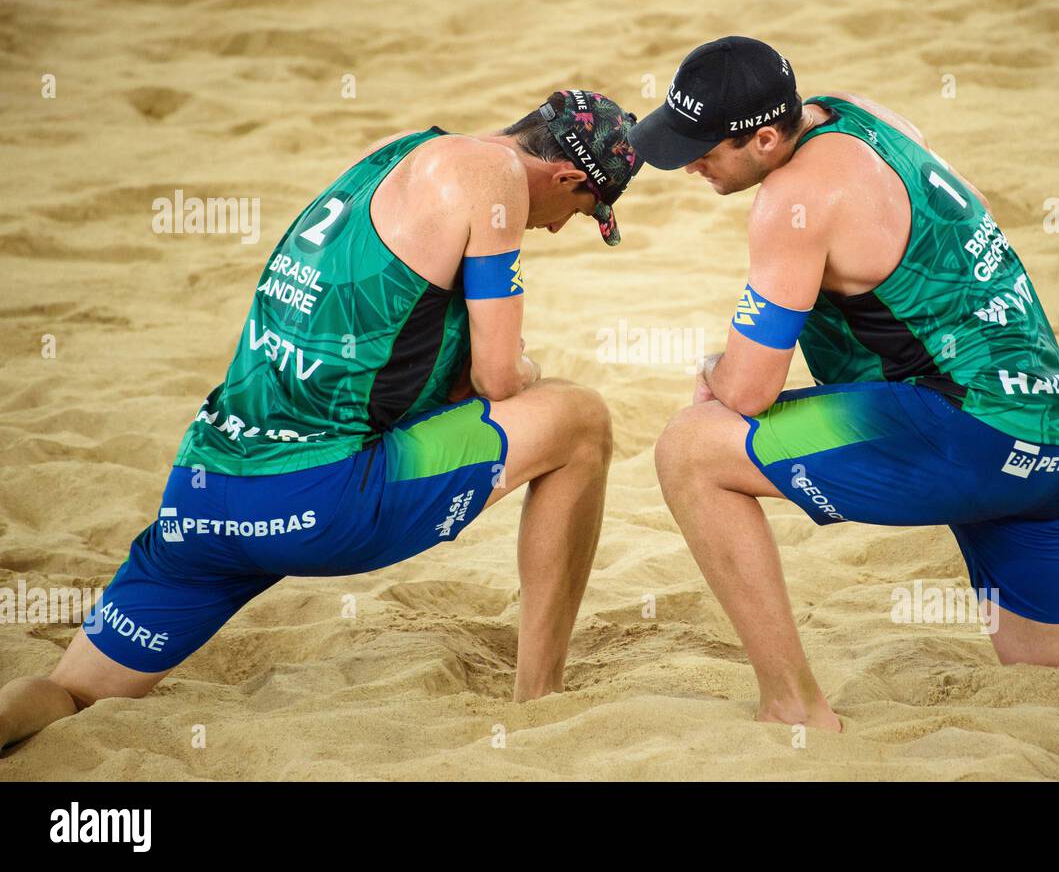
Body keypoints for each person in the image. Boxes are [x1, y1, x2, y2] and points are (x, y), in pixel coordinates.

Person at [634, 36, 1059, 731]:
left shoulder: (795, 198)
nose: (691, 165)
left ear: (766, 138)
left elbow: (744, 392)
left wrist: (715, 367)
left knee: (690, 448)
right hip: (1055, 439)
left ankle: (793, 705)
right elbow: (968, 213)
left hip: (967, 431)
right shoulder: (860, 115)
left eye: (704, 148)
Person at [0, 90, 643, 751]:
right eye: (584, 209)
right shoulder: (495, 177)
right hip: (320, 498)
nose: (562, 227)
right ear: (568, 177)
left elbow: (387, 340)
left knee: (68, 692)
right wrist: (527, 365)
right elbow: (497, 379)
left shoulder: (395, 153)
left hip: (205, 487)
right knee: (581, 420)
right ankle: (540, 695)